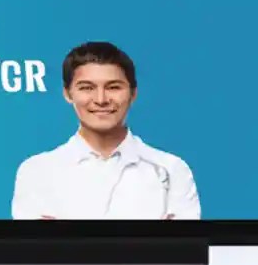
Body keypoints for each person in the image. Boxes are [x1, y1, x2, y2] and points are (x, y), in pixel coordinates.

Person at [12, 41, 200, 220]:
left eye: (113, 87)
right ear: (68, 94)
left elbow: (179, 251)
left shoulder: (172, 170)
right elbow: (38, 252)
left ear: (133, 93)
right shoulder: (37, 171)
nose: (101, 99)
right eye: (87, 88)